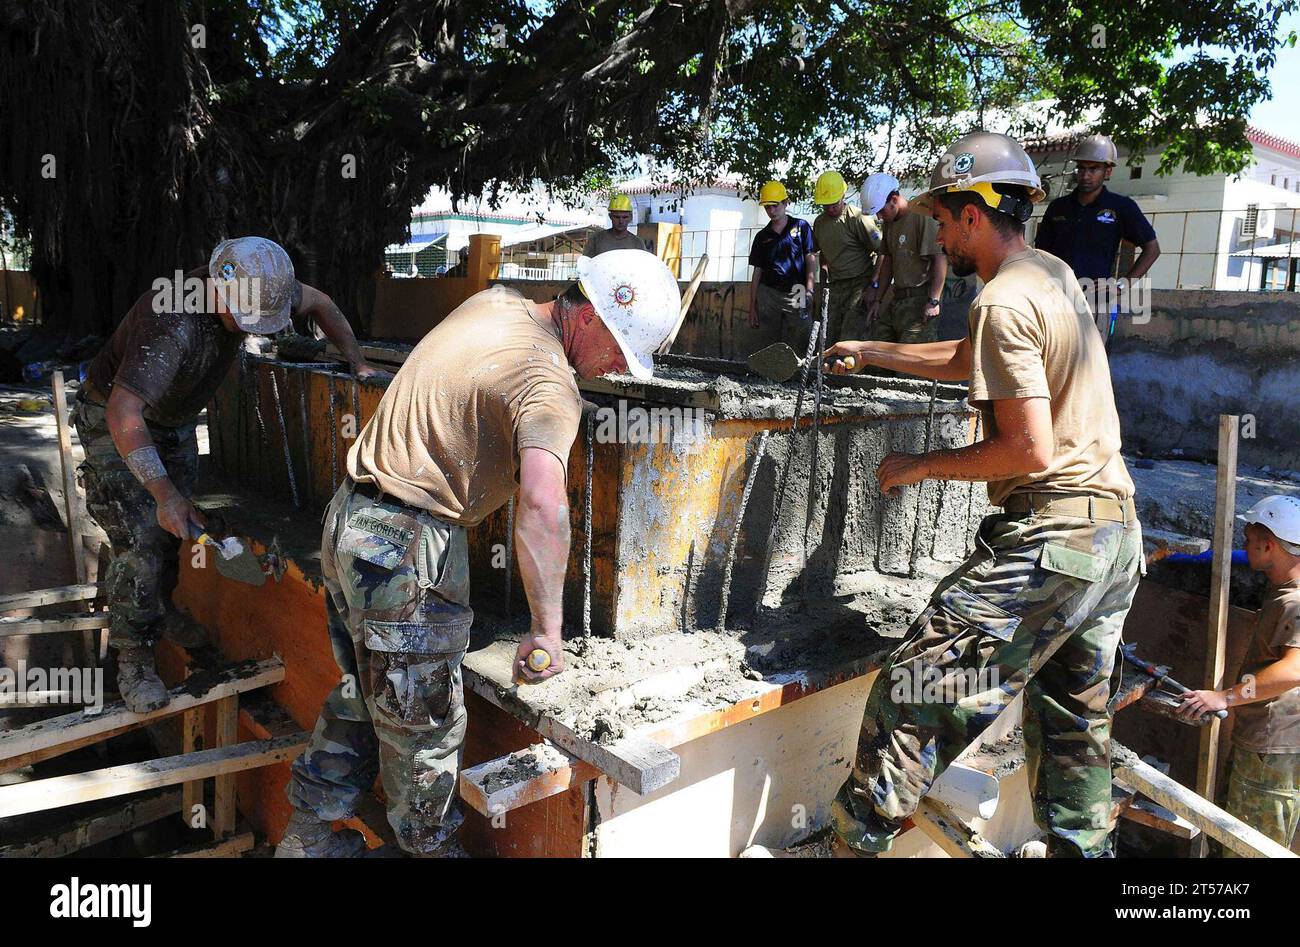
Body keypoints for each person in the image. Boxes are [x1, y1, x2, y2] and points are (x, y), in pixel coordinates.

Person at [276, 249, 681, 858]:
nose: (619, 367)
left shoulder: (494, 303)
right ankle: (430, 848)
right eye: (621, 350)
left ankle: (307, 838)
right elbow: (543, 503)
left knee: (366, 688)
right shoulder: (551, 386)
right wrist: (546, 629)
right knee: (424, 724)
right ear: (589, 317)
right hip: (404, 549)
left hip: (351, 518)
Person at [823, 131, 1142, 858]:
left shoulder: (1002, 300)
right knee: (1073, 734)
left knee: (914, 690)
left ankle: (851, 844)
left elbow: (1030, 450)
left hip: (1055, 538)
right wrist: (871, 350)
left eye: (943, 220)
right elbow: (972, 358)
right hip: (1114, 540)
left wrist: (920, 464)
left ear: (973, 215)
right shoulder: (1050, 274)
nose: (938, 236)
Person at [75, 237, 377, 713]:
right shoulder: (170, 318)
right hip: (114, 421)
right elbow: (122, 412)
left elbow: (322, 303)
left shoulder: (264, 285)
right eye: (245, 318)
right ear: (217, 289)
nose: (250, 327)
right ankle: (134, 659)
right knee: (140, 536)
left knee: (173, 530)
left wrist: (356, 359)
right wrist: (163, 493)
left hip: (172, 422)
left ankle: (161, 609)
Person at [1179, 496, 1300, 855]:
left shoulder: (1293, 601)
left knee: (1250, 848)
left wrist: (1224, 697)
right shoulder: (1283, 592)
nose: (1244, 547)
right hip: (1270, 743)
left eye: (1248, 540)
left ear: (1269, 545)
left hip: (1271, 748)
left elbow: (1294, 669)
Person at [1034, 133, 1160, 341]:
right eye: (1082, 168)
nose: (1086, 175)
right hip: (1055, 300)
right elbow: (1040, 254)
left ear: (1107, 171)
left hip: (1096, 302)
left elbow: (1152, 249)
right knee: (1052, 357)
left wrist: (1122, 286)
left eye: (1093, 169)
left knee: (1092, 359)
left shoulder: (1121, 207)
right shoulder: (1058, 208)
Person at [861, 172, 948, 345]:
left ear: (894, 200)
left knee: (911, 355)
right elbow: (888, 262)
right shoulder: (889, 223)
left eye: (881, 211)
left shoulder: (921, 216)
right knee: (877, 345)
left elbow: (939, 258)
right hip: (898, 299)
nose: (879, 217)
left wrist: (933, 301)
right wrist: (878, 300)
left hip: (921, 299)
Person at [811, 170, 881, 345]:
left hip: (859, 282)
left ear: (843, 196)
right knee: (827, 336)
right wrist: (822, 284)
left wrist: (874, 286)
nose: (830, 209)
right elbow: (822, 253)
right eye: (825, 205)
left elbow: (882, 251)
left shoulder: (857, 217)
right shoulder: (819, 223)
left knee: (850, 336)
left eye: (834, 204)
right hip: (835, 285)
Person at [746, 180, 816, 351]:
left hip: (798, 290)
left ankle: (800, 368)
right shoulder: (761, 237)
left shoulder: (802, 227)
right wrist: (752, 306)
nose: (771, 211)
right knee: (768, 342)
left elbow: (810, 258)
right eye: (767, 207)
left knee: (801, 338)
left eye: (775, 205)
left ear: (785, 203)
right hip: (768, 294)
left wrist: (809, 289)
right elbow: (757, 271)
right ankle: (770, 369)